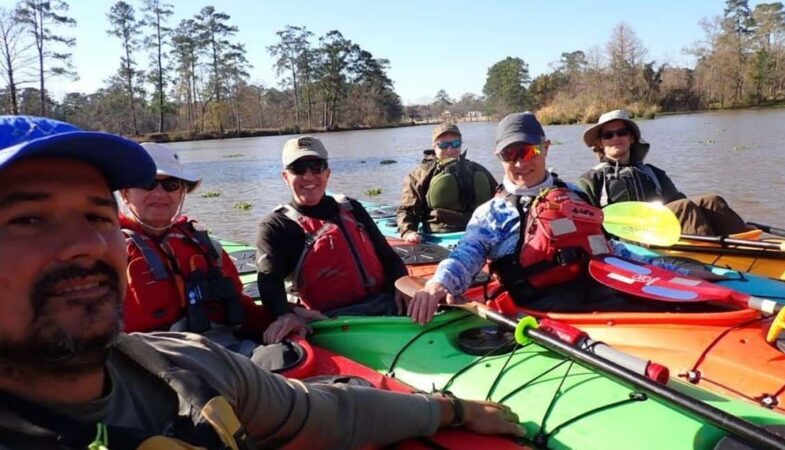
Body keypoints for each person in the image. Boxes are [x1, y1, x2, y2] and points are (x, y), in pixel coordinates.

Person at [0, 116, 525, 449]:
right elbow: (270, 289)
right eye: (27, 220)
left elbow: (320, 404)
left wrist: (447, 408)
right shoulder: (276, 227)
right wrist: (290, 314)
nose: (86, 245)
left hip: (241, 350)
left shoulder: (193, 367)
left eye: (96, 218)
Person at [407, 112, 685, 325]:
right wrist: (438, 285)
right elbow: (466, 255)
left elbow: (609, 249)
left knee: (685, 305)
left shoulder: (574, 195)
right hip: (545, 313)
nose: (520, 163)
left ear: (546, 147)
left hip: (601, 297)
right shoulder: (491, 213)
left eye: (528, 151)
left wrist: (672, 270)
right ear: (498, 157)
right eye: (509, 154)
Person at [118, 142, 271, 356]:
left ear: (181, 192)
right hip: (150, 365)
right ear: (125, 192)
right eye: (148, 183)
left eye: (171, 184)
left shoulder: (207, 246)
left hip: (223, 353)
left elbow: (242, 308)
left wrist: (287, 315)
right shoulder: (107, 251)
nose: (160, 193)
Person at [256, 136, 409, 344]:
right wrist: (285, 314)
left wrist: (403, 285)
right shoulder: (276, 226)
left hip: (387, 307)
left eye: (316, 167)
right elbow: (269, 284)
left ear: (327, 173)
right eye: (298, 169)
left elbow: (387, 256)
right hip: (331, 323)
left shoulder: (351, 208)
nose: (309, 176)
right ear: (285, 177)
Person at [577, 109, 750, 236]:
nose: (615, 138)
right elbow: (584, 224)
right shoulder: (591, 179)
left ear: (631, 138)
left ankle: (750, 245)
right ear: (600, 143)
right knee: (685, 207)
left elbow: (678, 201)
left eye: (621, 132)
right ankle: (711, 261)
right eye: (608, 135)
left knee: (712, 201)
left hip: (664, 230)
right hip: (629, 238)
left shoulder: (653, 173)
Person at [397, 123, 498, 243]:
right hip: (442, 234)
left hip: (479, 231)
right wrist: (408, 231)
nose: (450, 150)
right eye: (443, 145)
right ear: (434, 147)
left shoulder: (476, 169)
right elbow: (407, 209)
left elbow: (500, 198)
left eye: (455, 144)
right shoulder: (420, 174)